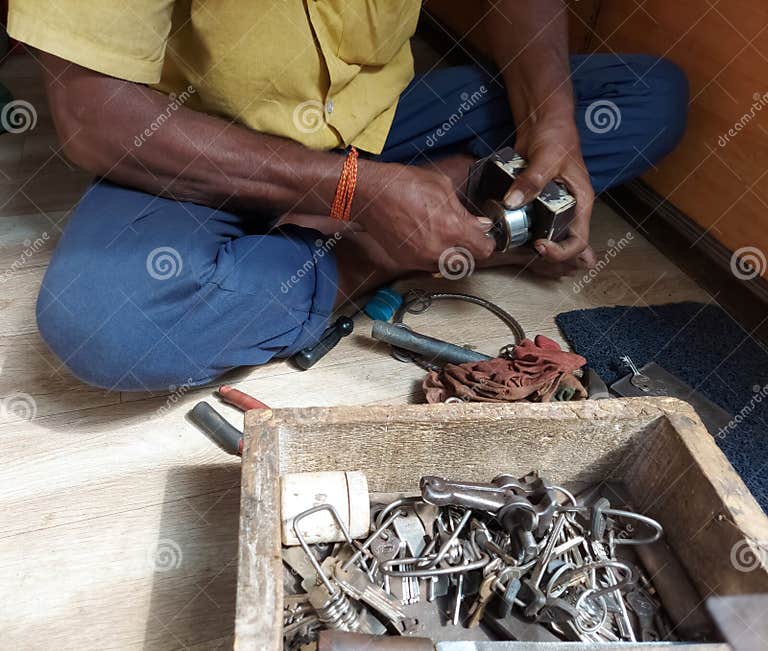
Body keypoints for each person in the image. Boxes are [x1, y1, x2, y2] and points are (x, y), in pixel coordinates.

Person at [6, 1, 688, 391]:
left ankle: (412, 212)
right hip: (211, 147)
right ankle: (377, 254)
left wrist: (551, 123)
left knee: (645, 99)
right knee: (107, 323)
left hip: (382, 119)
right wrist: (357, 198)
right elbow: (94, 116)